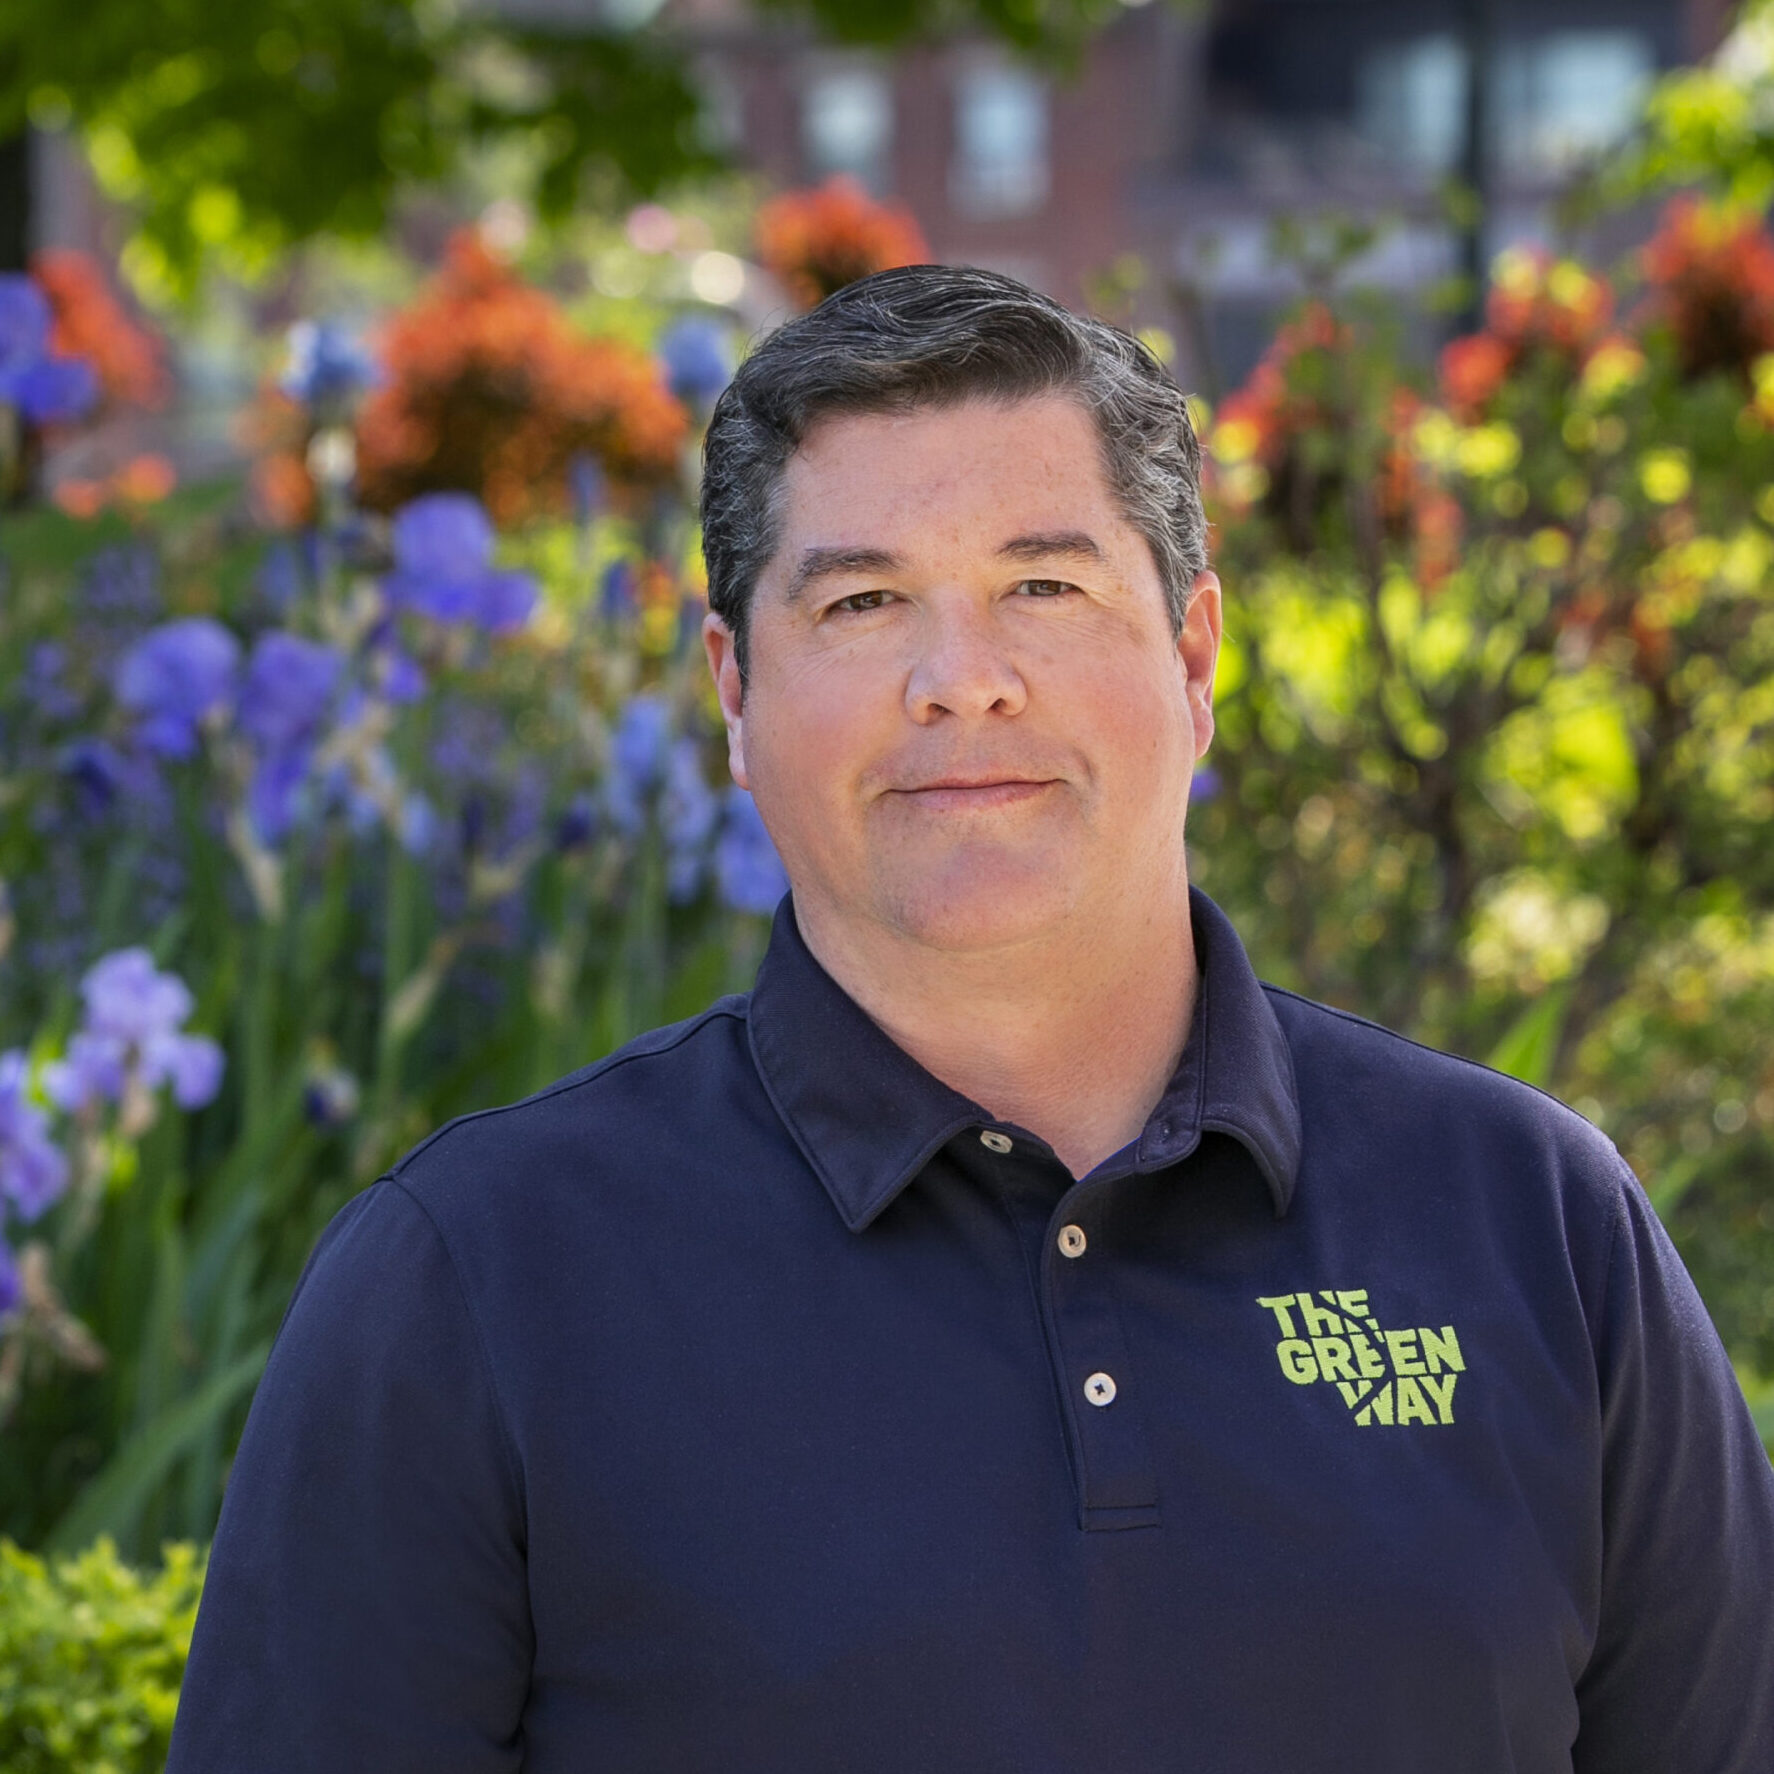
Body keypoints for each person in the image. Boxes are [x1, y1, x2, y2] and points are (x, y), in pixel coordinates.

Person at [167, 266, 1774, 1773]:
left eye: (1043, 585)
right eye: (862, 602)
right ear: (733, 692)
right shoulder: (474, 1279)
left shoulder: (1533, 1222)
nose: (961, 678)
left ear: (1194, 653)